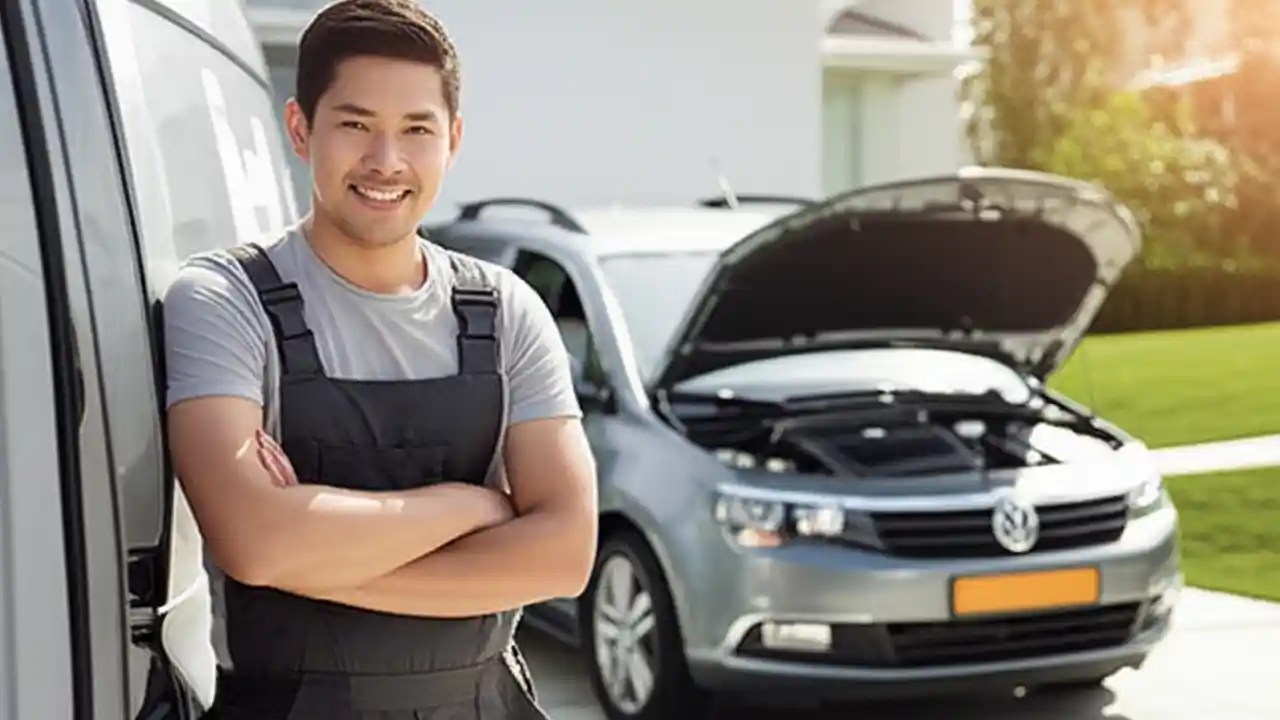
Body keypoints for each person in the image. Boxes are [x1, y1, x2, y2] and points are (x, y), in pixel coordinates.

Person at [162, 1, 598, 717]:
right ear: (300, 128)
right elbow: (256, 543)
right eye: (356, 125)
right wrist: (475, 505)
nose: (386, 161)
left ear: (452, 139)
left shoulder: (507, 310)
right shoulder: (223, 300)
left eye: (416, 130)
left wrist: (312, 555)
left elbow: (564, 555)